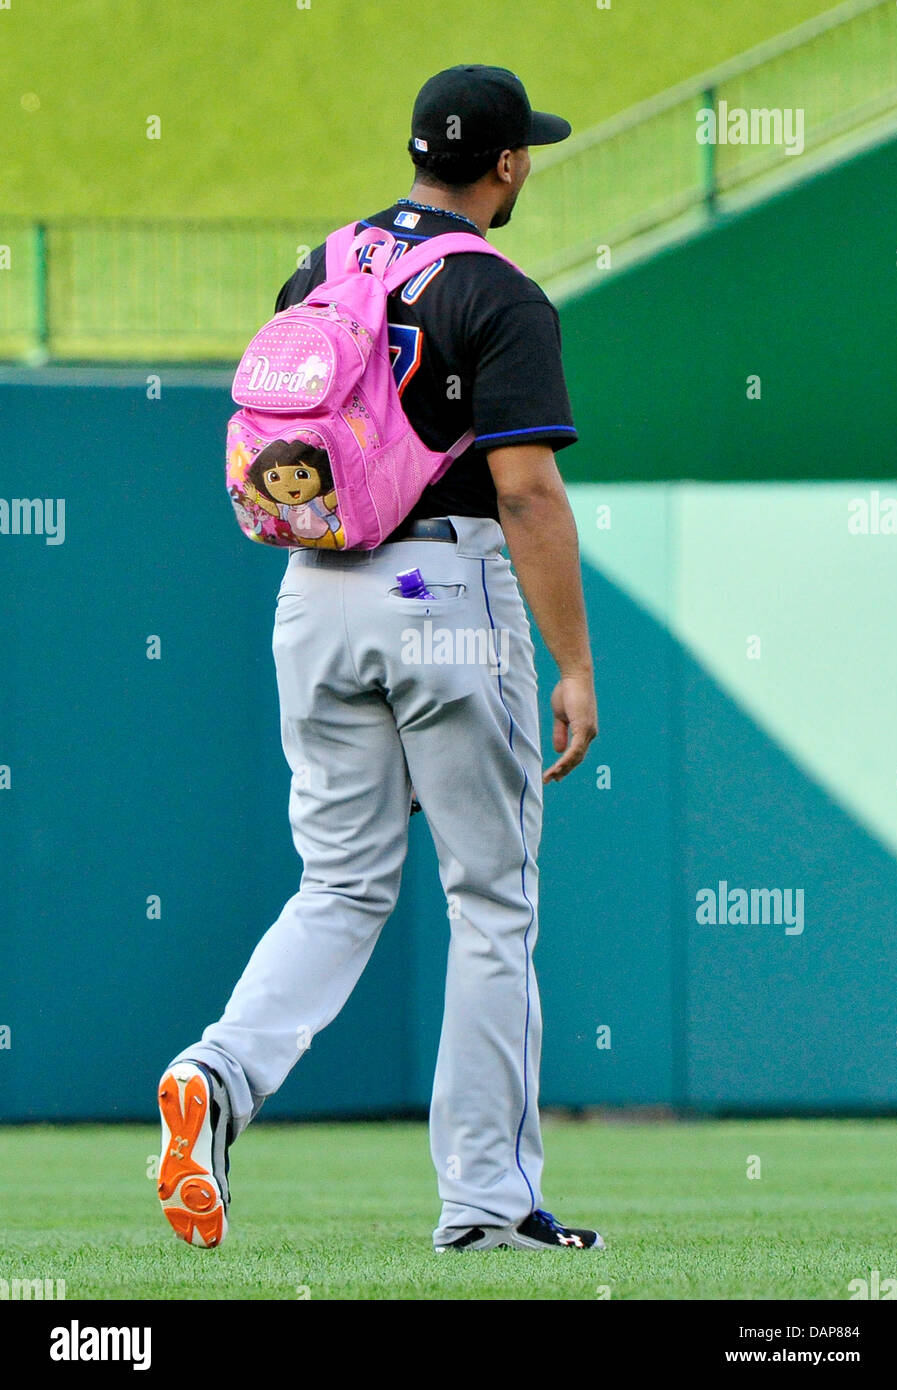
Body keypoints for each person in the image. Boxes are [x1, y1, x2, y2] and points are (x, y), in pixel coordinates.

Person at [157, 64, 601, 1254]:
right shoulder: (498, 292)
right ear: (507, 164)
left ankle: (217, 1073)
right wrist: (572, 662)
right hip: (443, 589)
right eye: (527, 154)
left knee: (340, 885)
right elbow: (524, 486)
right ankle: (486, 1203)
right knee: (491, 903)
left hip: (314, 593)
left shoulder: (323, 264)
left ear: (417, 153)